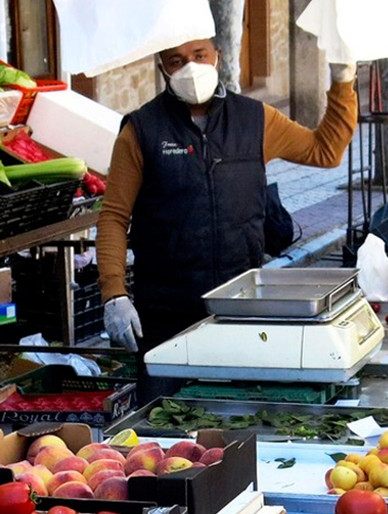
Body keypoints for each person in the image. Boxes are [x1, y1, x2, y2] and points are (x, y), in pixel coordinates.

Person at [97, 37, 358, 393]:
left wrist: (343, 81)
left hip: (241, 307)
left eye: (199, 55)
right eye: (176, 61)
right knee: (162, 423)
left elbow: (325, 150)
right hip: (166, 312)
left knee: (237, 419)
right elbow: (113, 216)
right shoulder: (142, 130)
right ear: (162, 69)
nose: (190, 67)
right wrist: (114, 294)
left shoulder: (255, 119)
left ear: (216, 56)